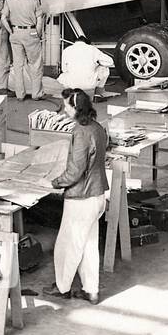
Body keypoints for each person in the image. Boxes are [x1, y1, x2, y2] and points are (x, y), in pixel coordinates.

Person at [46, 89, 110, 304]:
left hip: (81, 198)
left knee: (68, 244)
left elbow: (76, 171)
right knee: (89, 245)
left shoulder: (81, 132)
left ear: (76, 108)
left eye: (67, 106)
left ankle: (62, 287)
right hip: (98, 195)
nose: (65, 109)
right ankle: (91, 290)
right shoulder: (98, 128)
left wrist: (54, 183)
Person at [0, 0, 45, 100]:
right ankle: (37, 94)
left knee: (18, 65)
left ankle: (20, 94)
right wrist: (38, 33)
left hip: (15, 33)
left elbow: (3, 18)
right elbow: (39, 19)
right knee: (35, 64)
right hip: (30, 33)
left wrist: (11, 31)